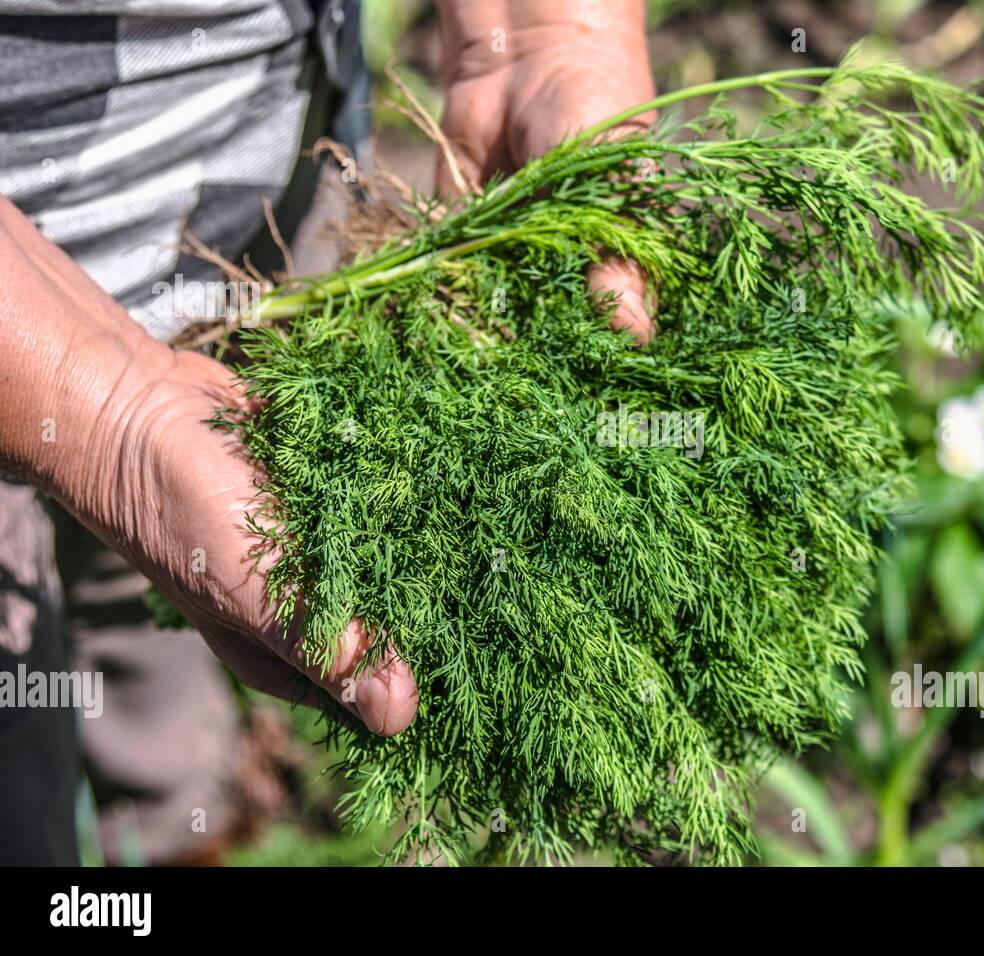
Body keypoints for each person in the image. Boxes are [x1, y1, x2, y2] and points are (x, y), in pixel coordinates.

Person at [0, 0, 655, 865]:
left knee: (175, 630)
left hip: (256, 245)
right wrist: (115, 418)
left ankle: (177, 827)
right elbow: (129, 433)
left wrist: (545, 31)